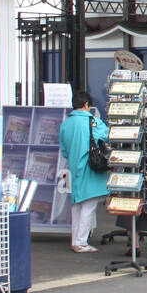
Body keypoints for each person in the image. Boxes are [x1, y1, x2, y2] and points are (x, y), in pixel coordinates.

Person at [58, 91, 110, 253]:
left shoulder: (66, 123)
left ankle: (76, 240)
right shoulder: (92, 121)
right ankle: (81, 242)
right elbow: (106, 135)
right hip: (89, 168)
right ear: (87, 104)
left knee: (76, 206)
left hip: (72, 168)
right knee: (89, 206)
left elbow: (64, 150)